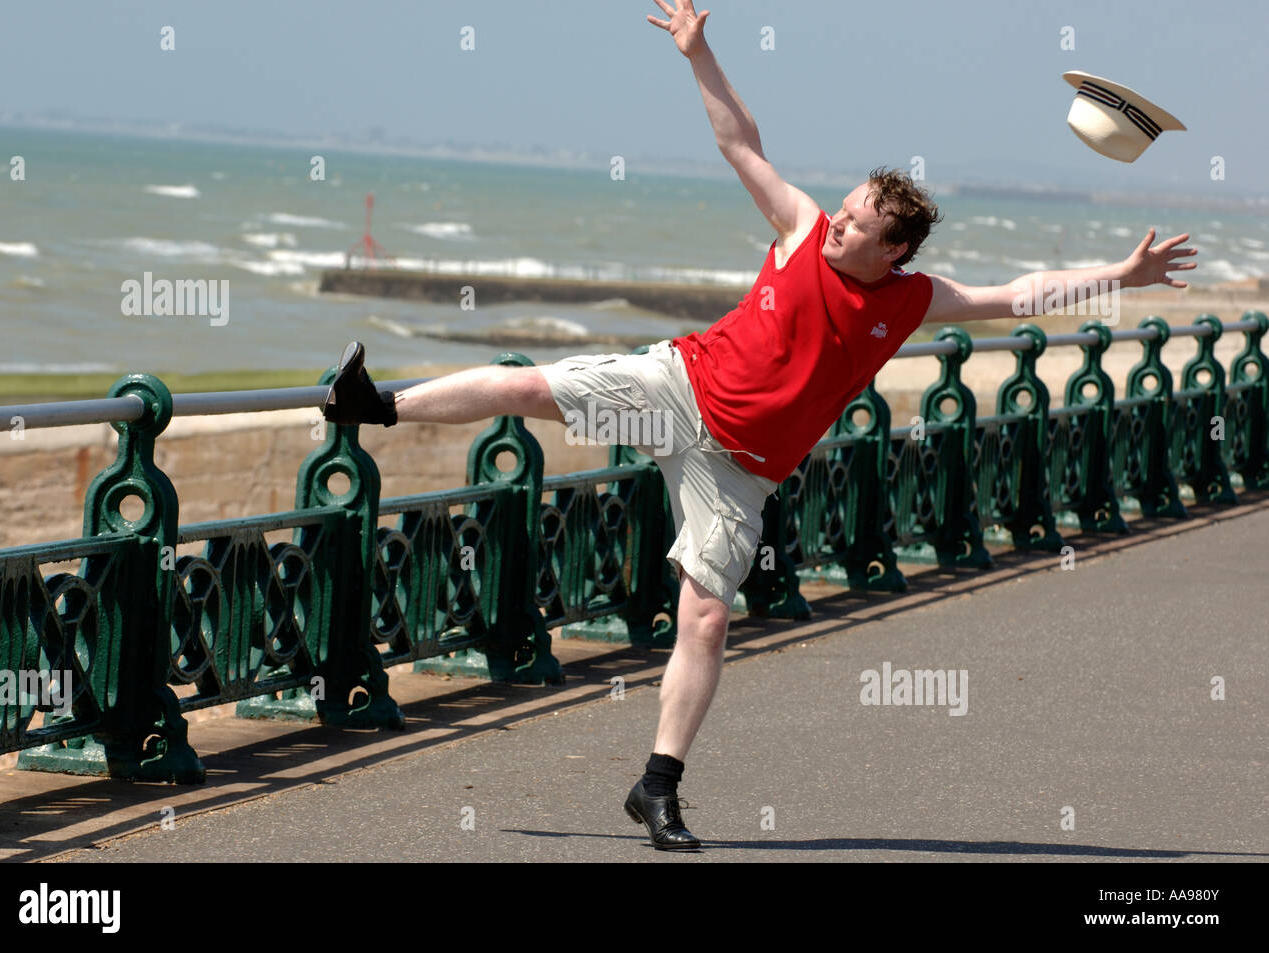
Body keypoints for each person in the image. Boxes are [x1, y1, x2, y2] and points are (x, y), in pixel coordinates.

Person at [322, 0, 1197, 851]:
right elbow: (739, 140)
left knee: (706, 619)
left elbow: (1022, 295)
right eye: (847, 204)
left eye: (859, 220)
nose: (841, 218)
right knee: (528, 386)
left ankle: (656, 786)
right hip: (679, 387)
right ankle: (377, 404)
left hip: (740, 470)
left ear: (892, 250)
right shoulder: (799, 225)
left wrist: (1125, 273)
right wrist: (698, 52)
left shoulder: (914, 301)